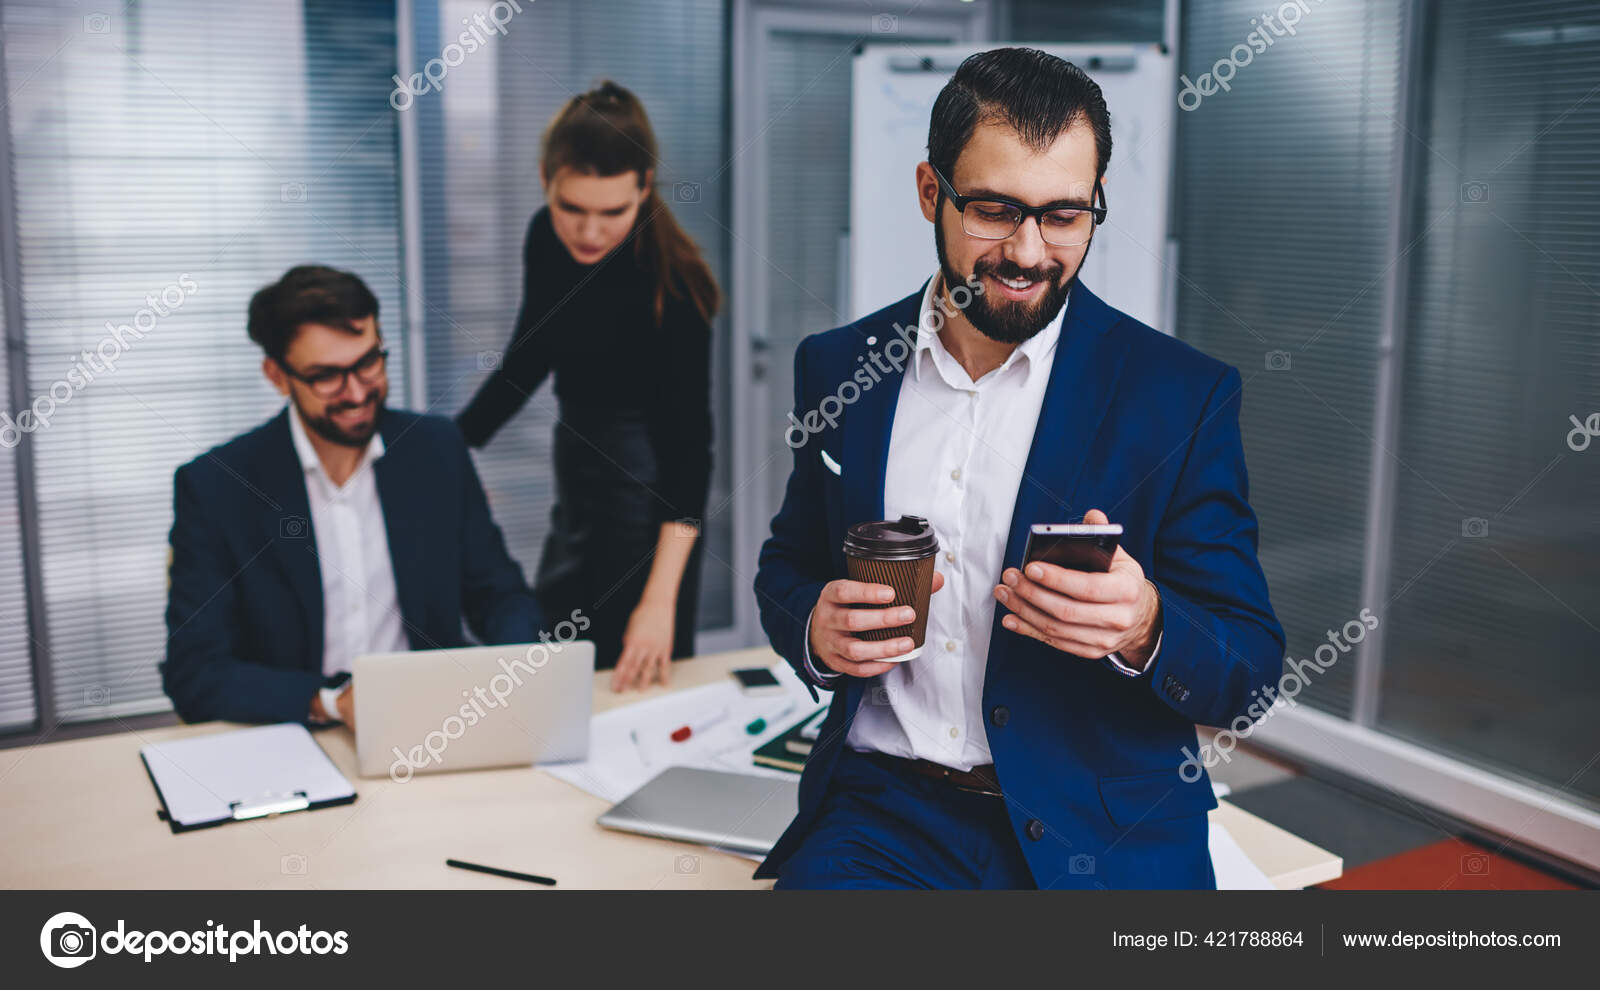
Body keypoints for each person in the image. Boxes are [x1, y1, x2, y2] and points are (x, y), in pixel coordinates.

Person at [753, 48, 1285, 889]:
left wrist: (1146, 626)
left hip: (1104, 829)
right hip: (883, 815)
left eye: (1065, 216)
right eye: (996, 211)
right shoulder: (840, 366)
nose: (1030, 251)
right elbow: (787, 564)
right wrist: (814, 629)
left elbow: (1249, 672)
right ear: (933, 192)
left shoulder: (1182, 398)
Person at [161, 265, 547, 726]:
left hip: (438, 723)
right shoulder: (217, 487)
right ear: (278, 377)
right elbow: (195, 672)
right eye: (327, 376)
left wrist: (519, 664)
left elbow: (498, 594)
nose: (357, 392)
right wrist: (330, 703)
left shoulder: (436, 450)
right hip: (301, 735)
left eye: (368, 362)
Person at [457, 80, 719, 693]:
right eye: (572, 208)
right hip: (578, 475)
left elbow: (690, 461)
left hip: (650, 506)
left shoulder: (676, 290)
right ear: (547, 180)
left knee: (631, 687)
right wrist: (448, 446)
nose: (590, 232)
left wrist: (659, 603)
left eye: (613, 213)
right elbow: (527, 361)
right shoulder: (544, 240)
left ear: (644, 190)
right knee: (555, 670)